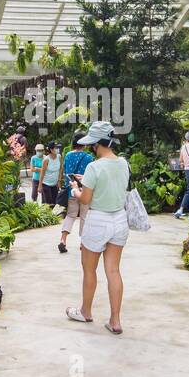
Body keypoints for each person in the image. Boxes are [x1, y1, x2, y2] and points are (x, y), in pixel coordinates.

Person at [63, 121, 130, 335]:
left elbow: (85, 199)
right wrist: (87, 181)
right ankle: (115, 321)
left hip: (98, 221)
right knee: (113, 270)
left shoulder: (94, 167)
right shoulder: (123, 163)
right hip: (119, 220)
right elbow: (112, 184)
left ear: (96, 144)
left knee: (89, 269)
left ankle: (85, 311)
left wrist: (75, 189)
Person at [57, 132, 93, 254]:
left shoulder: (67, 155)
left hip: (72, 190)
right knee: (84, 216)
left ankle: (63, 240)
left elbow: (65, 172)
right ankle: (83, 243)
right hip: (85, 190)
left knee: (71, 215)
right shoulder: (88, 158)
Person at [39, 141, 61, 206]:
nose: (58, 149)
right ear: (51, 150)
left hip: (55, 184)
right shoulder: (46, 160)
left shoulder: (59, 157)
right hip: (46, 184)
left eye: (58, 147)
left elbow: (61, 169)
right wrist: (40, 185)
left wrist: (59, 181)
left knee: (55, 203)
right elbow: (42, 173)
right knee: (48, 204)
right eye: (56, 148)